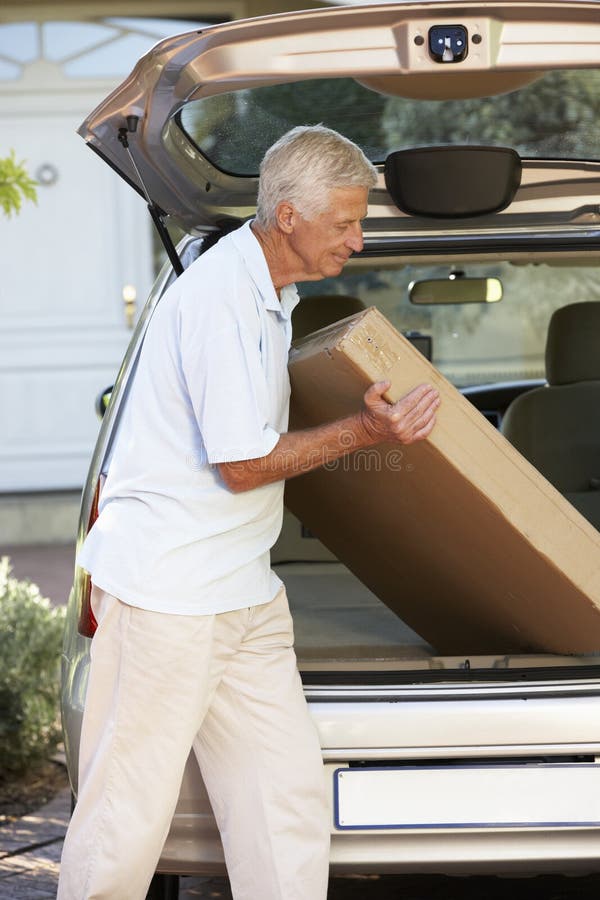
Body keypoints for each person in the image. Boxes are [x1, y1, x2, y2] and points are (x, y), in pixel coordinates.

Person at [57, 125, 440, 900]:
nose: (359, 241)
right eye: (346, 224)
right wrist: (367, 430)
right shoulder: (219, 299)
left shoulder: (270, 294)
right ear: (289, 217)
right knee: (125, 816)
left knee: (283, 800)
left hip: (243, 591)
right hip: (169, 596)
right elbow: (241, 464)